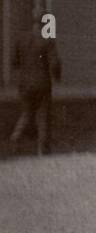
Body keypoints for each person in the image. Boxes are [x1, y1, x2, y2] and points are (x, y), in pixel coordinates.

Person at [9, 11, 61, 155]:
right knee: (43, 115)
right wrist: (57, 77)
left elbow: (14, 62)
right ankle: (42, 149)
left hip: (24, 84)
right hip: (42, 83)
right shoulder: (48, 40)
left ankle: (16, 136)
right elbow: (55, 63)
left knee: (27, 113)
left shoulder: (20, 39)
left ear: (32, 22)